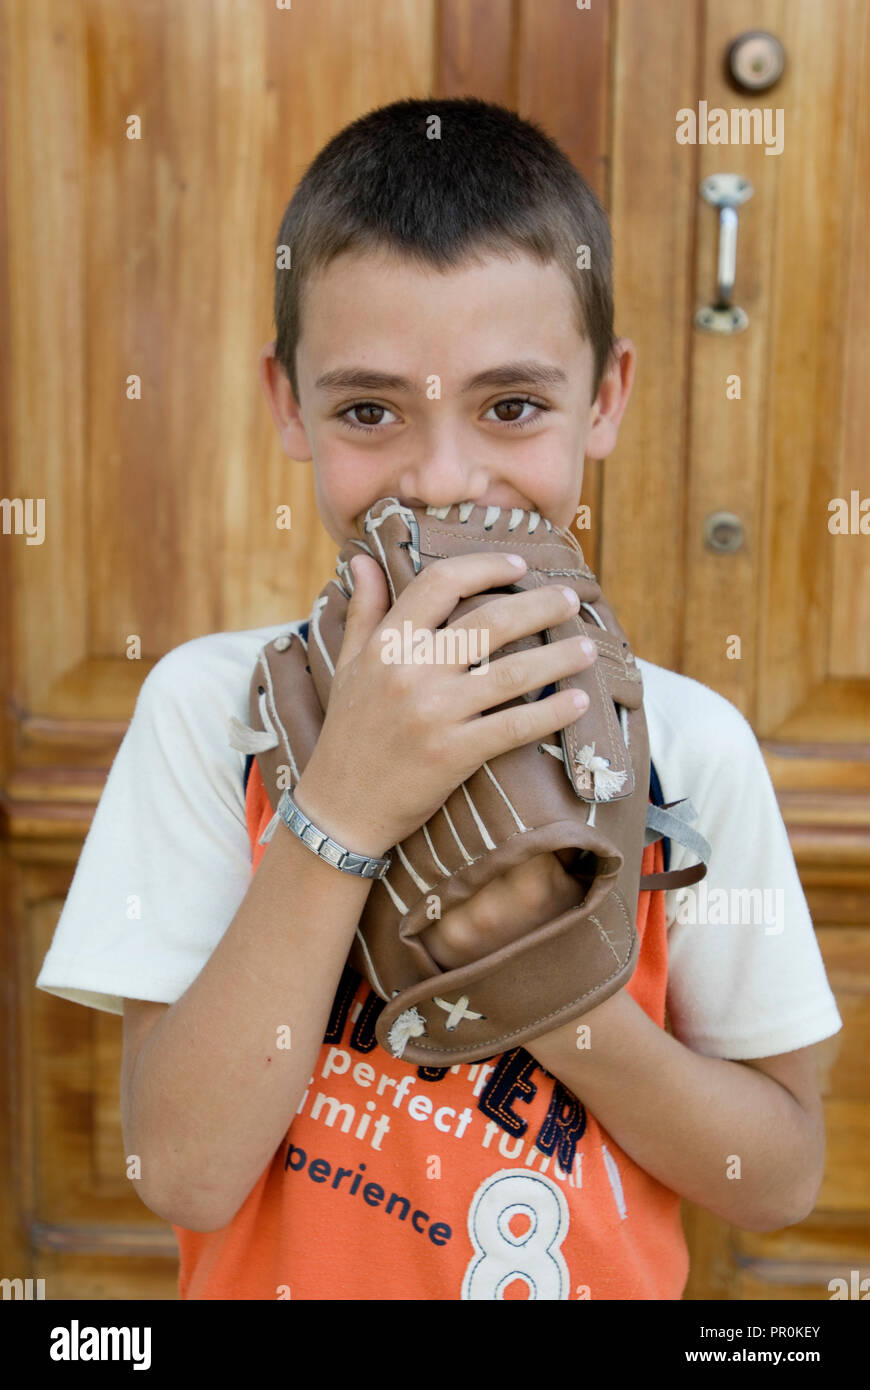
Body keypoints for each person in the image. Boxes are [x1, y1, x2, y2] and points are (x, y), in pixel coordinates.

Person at [36, 96, 842, 1301]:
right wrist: (343, 812)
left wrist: (533, 978)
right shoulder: (212, 713)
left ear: (607, 397)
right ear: (287, 404)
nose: (443, 475)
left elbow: (776, 1176)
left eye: (511, 406)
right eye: (369, 410)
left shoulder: (688, 748)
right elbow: (182, 1173)